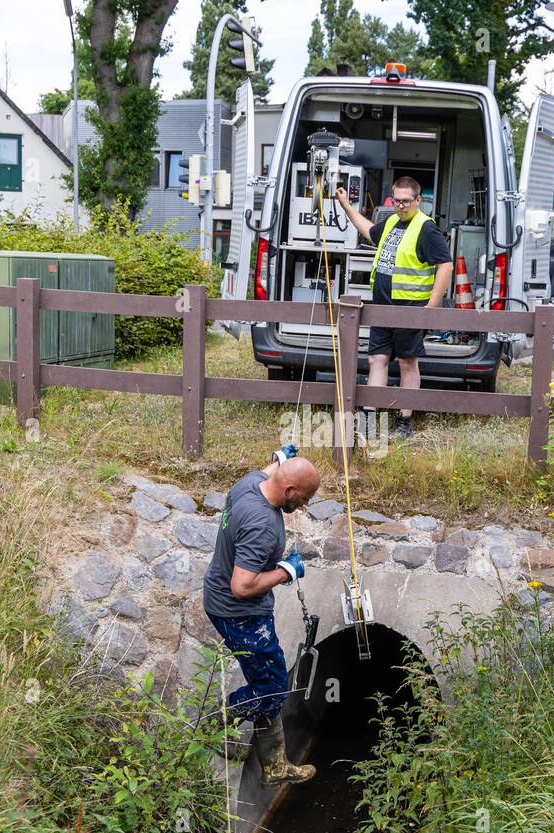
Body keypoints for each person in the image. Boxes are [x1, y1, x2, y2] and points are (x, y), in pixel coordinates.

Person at [200, 445, 321, 786]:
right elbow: (243, 584)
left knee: (269, 681)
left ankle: (275, 765)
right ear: (288, 490)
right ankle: (215, 721)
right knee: (272, 689)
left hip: (219, 596)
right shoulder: (262, 526)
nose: (304, 505)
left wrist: (280, 459)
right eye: (304, 498)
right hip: (240, 612)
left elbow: (271, 472)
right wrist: (286, 572)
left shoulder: (249, 483)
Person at [335, 176, 453, 439]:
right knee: (377, 359)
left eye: (406, 201)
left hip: (410, 308)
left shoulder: (426, 229)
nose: (400, 206)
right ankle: (367, 422)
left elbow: (445, 265)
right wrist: (347, 206)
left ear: (418, 200)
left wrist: (431, 308)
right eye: (396, 201)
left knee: (407, 363)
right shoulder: (390, 222)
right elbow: (368, 230)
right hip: (382, 306)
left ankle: (404, 422)